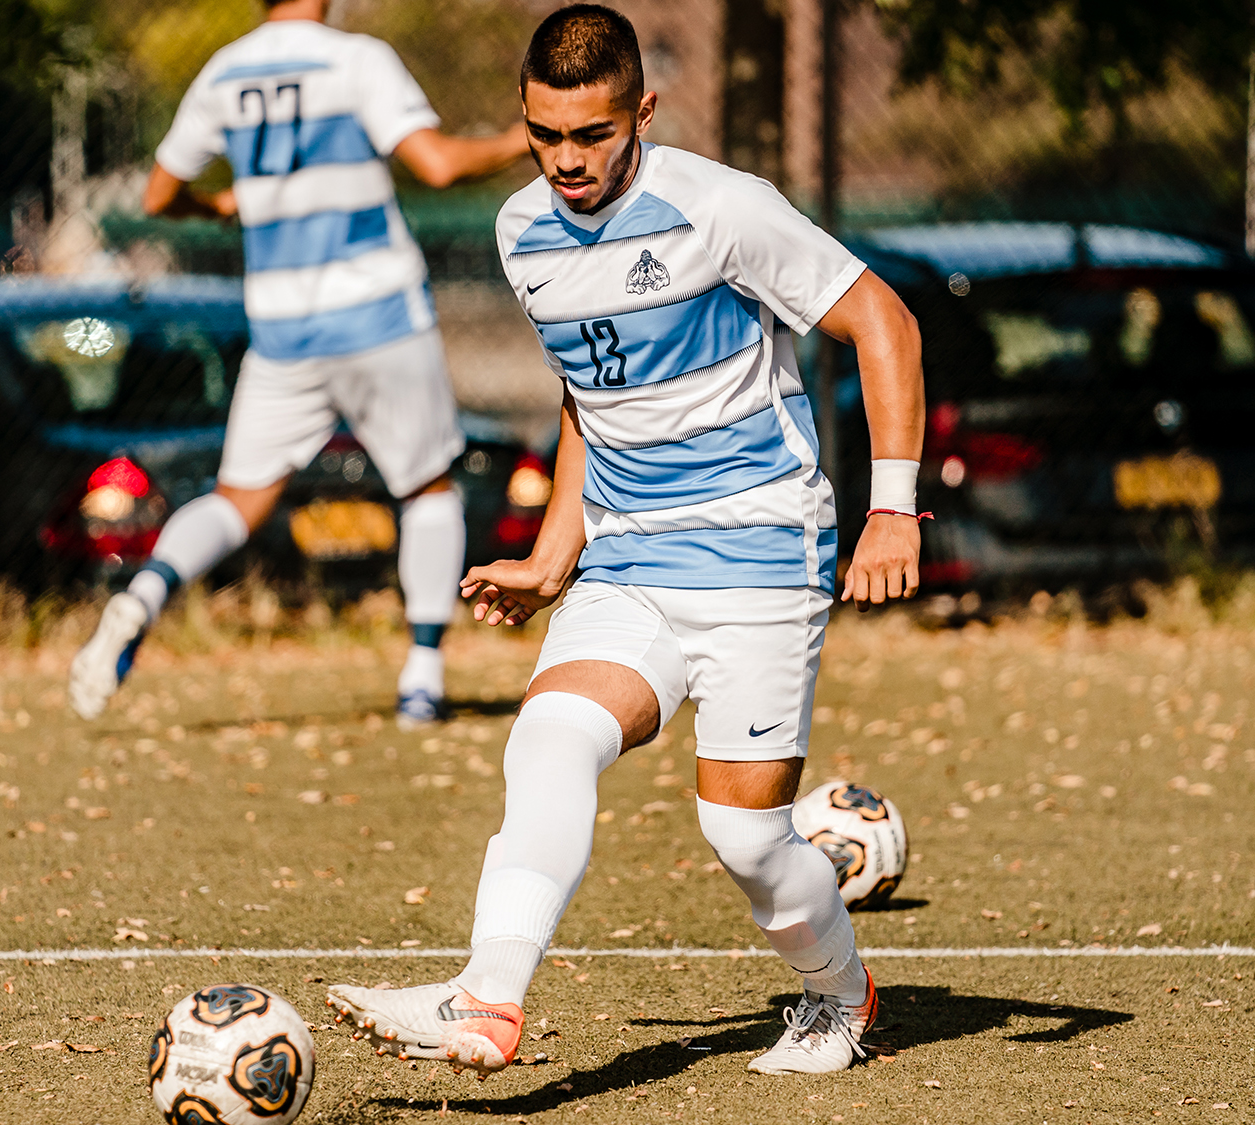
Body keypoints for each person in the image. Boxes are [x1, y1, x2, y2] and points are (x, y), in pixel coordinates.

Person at [327, 4, 926, 1077]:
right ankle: (487, 1001)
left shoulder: (722, 210)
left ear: (640, 111)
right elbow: (583, 395)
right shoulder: (520, 234)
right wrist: (555, 555)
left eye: (591, 136)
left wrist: (891, 509)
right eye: (543, 136)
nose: (565, 160)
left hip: (756, 548)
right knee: (549, 738)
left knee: (744, 838)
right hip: (630, 556)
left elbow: (882, 320)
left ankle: (840, 997)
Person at [68, 0, 530, 727]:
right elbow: (436, 165)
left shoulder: (226, 71)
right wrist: (517, 140)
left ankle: (143, 594)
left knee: (236, 500)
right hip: (379, 313)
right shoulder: (356, 60)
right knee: (427, 489)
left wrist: (217, 207)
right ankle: (422, 678)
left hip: (284, 327)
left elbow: (158, 194)